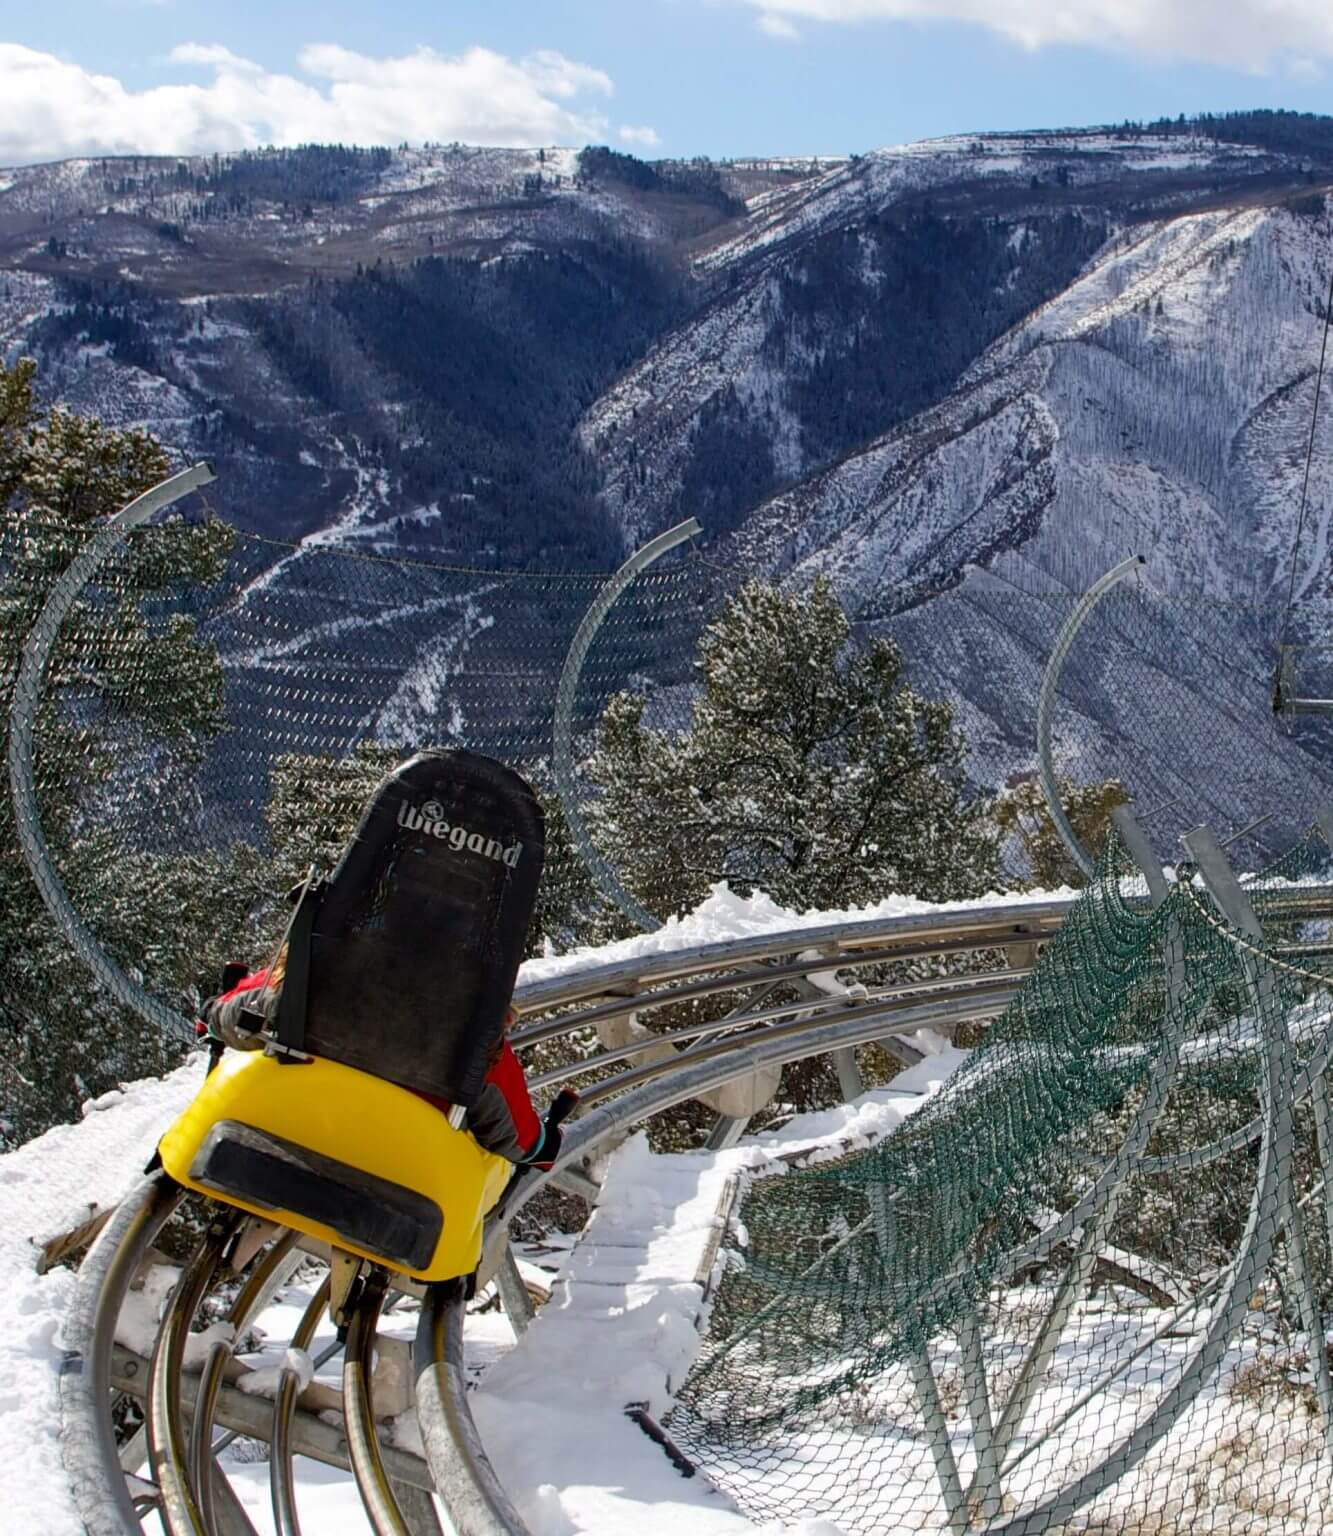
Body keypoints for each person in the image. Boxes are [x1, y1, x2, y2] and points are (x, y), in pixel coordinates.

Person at [199, 965, 561, 1170]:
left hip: (291, 1139)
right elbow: (511, 1131)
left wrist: (213, 1015)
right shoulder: (468, 1036)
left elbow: (252, 1010)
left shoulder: (316, 975)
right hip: (392, 1171)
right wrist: (542, 1144)